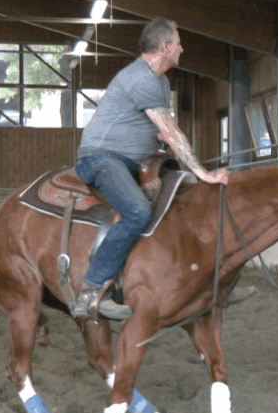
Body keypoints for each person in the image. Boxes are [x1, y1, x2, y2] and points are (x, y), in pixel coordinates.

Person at [73, 18, 230, 319]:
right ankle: (91, 288)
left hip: (136, 159)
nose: (182, 49)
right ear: (165, 47)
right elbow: (170, 131)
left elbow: (160, 128)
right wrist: (204, 172)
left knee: (181, 201)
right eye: (179, 43)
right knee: (138, 212)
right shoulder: (141, 78)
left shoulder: (160, 80)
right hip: (101, 158)